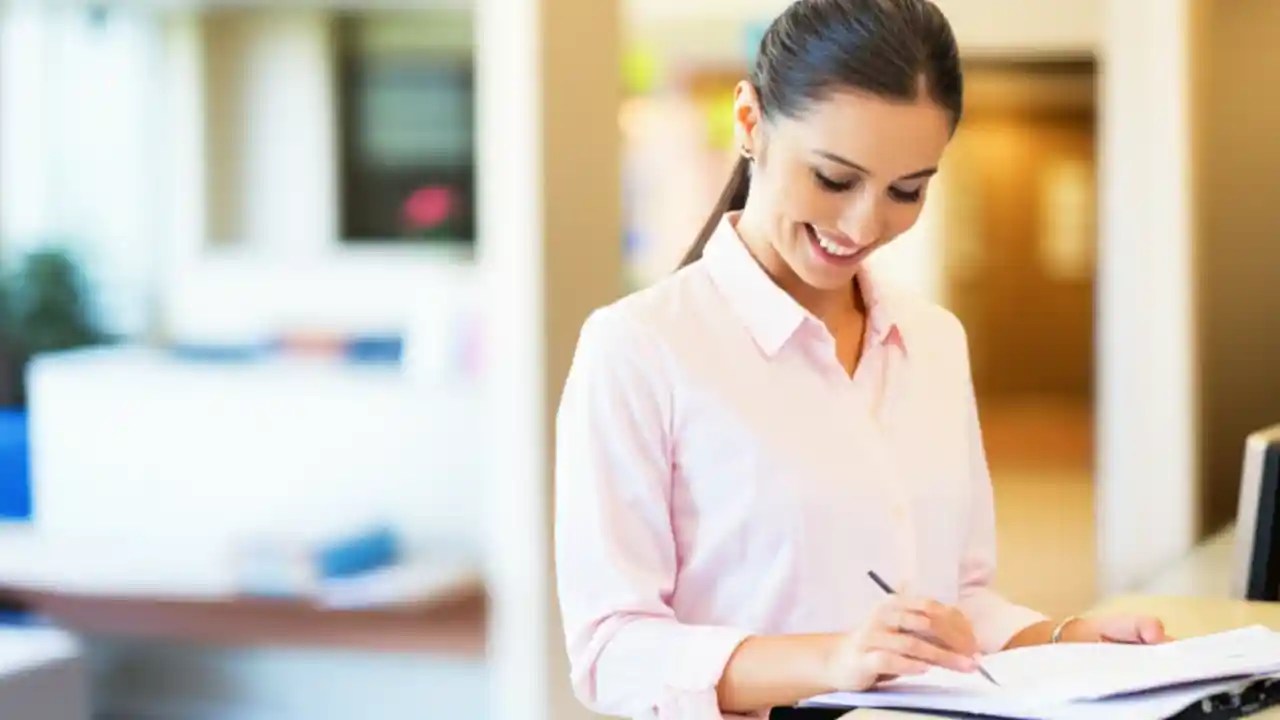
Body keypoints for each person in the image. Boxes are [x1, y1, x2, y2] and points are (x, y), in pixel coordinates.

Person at [553, 1, 1167, 718]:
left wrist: (1067, 638)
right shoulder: (640, 347)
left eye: (907, 190)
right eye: (835, 180)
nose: (865, 224)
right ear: (750, 124)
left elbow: (959, 604)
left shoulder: (934, 340)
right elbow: (611, 652)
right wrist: (836, 660)